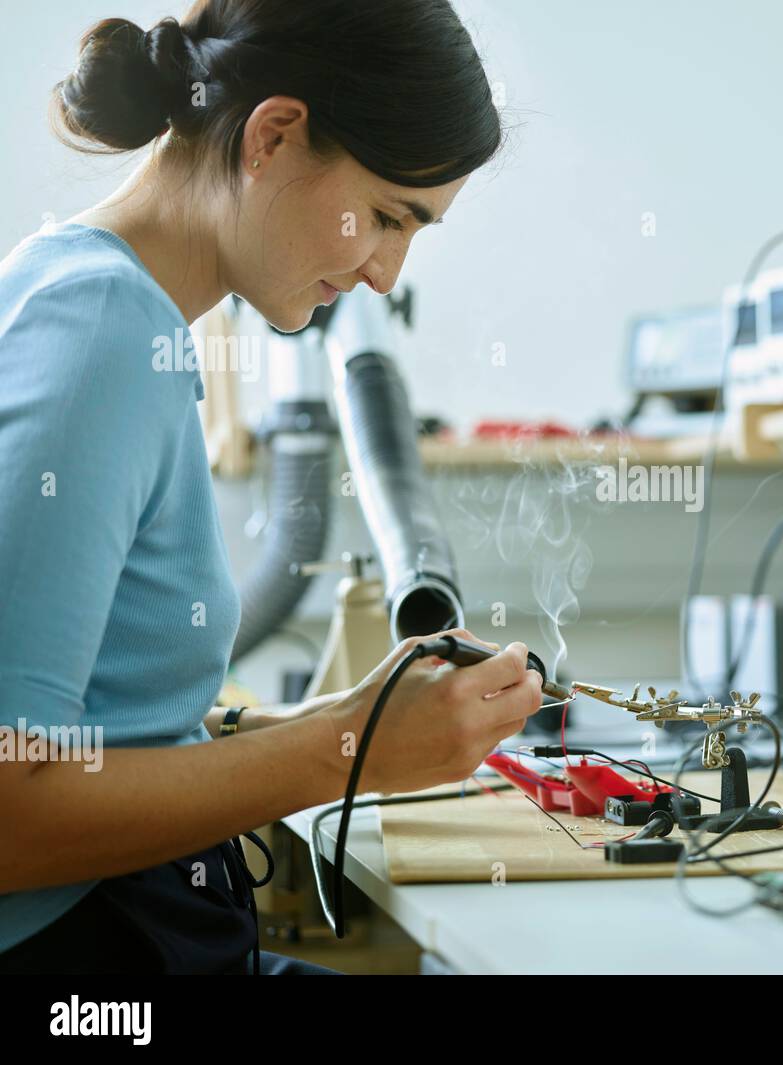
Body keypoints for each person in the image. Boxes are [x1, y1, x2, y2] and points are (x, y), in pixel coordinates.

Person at [0, 0, 541, 974]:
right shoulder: (101, 337)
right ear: (274, 136)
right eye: (385, 217)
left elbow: (114, 717)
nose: (385, 273)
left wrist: (358, 715)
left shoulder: (108, 308)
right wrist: (346, 749)